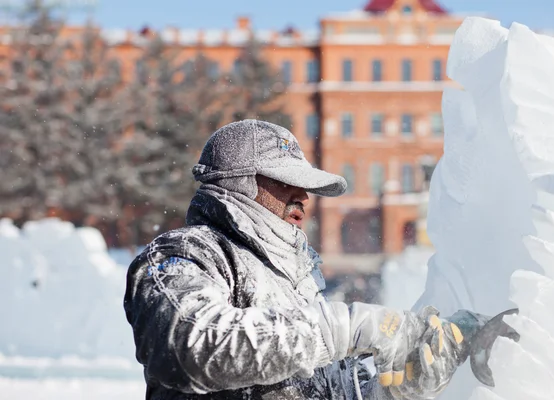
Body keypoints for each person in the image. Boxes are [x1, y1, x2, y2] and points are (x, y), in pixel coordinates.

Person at [124, 120, 468, 400]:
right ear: (239, 183)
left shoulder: (299, 281)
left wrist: (392, 391)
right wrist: (349, 327)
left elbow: (326, 390)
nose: (303, 197)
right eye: (285, 181)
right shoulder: (186, 254)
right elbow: (189, 347)